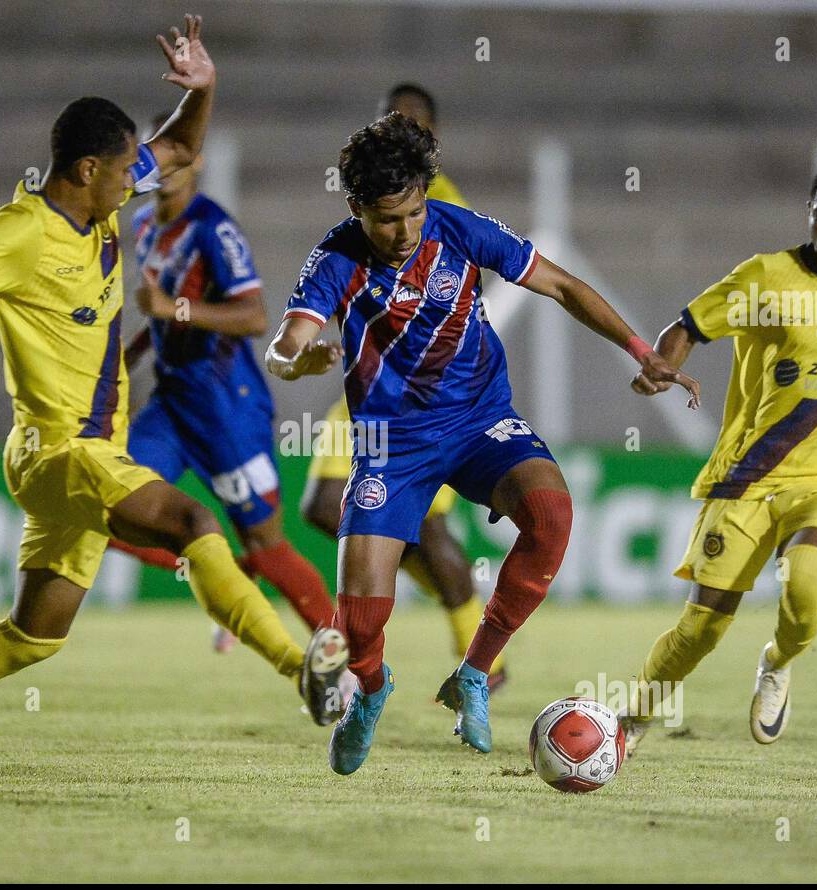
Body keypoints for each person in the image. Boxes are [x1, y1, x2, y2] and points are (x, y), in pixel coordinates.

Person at [0, 17, 348, 788]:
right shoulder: (23, 230)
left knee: (32, 638)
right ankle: (305, 671)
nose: (137, 183)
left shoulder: (102, 204)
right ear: (87, 168)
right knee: (193, 521)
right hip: (61, 452)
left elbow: (184, 149)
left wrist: (206, 88)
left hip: (90, 456)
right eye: (126, 172)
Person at [266, 112, 699, 775]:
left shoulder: (458, 230)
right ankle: (373, 691)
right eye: (387, 219)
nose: (404, 231)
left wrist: (640, 349)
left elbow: (561, 284)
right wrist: (300, 362)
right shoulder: (337, 256)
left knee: (552, 516)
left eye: (413, 212)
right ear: (356, 208)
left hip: (479, 421)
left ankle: (473, 671)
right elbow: (286, 344)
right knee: (358, 622)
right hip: (390, 444)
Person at [620, 163, 817, 755]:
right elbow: (686, 326)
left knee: (808, 587)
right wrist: (660, 364)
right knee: (700, 629)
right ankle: (630, 720)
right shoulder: (766, 278)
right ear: (809, 215)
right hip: (748, 475)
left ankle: (777, 662)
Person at [112, 112, 337, 671]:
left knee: (268, 544)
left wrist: (176, 308)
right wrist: (129, 355)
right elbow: (158, 317)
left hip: (227, 408)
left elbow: (256, 316)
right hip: (171, 405)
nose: (162, 169)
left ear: (196, 161)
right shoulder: (142, 225)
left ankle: (351, 664)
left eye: (174, 157)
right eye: (150, 158)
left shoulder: (215, 228)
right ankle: (231, 578)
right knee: (107, 509)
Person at [300, 83, 505, 689]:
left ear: (431, 140)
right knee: (319, 505)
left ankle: (472, 644)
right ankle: (386, 585)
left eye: (410, 125)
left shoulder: (441, 205)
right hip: (366, 387)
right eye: (389, 121)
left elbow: (465, 287)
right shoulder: (371, 194)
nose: (397, 132)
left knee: (430, 527)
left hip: (424, 399)